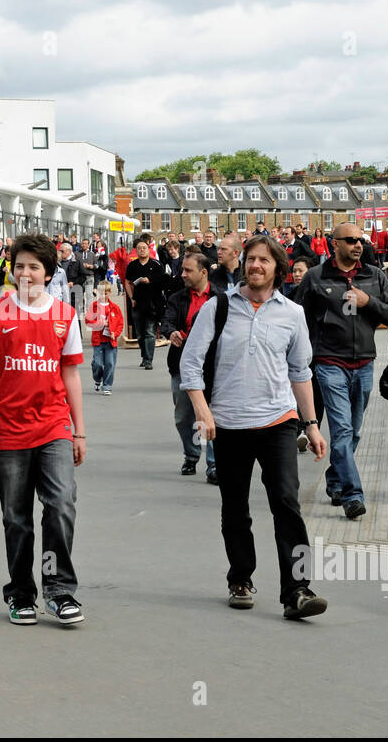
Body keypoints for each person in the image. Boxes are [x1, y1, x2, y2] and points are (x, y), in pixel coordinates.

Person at [179, 235, 329, 619]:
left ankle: (298, 590)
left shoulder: (292, 314)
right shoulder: (219, 307)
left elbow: (300, 373)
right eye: (250, 259)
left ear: (278, 268)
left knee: (287, 504)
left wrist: (310, 425)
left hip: (278, 421)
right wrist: (203, 410)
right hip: (228, 424)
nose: (255, 266)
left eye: (264, 260)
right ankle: (240, 578)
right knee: (235, 508)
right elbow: (190, 365)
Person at [0, 233, 87, 626]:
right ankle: (20, 593)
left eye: (34, 266)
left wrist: (79, 431)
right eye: (19, 266)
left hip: (53, 426)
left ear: (49, 272)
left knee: (61, 505)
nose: (26, 273)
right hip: (8, 431)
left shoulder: (64, 316)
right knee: (15, 517)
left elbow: (70, 374)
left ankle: (59, 589)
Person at [292, 222, 388, 519]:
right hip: (329, 362)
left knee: (353, 431)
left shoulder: (374, 276)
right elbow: (294, 317)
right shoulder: (316, 277)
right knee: (341, 429)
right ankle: (353, 495)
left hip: (365, 362)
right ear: (334, 243)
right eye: (351, 240)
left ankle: (335, 479)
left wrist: (369, 302)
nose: (358, 245)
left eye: (360, 240)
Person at [161, 251, 218, 482]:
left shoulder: (219, 298)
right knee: (184, 417)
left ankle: (214, 464)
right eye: (182, 269)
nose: (182, 274)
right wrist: (171, 331)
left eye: (187, 270)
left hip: (212, 365)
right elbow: (167, 321)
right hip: (182, 364)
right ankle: (191, 454)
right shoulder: (177, 298)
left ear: (203, 272)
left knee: (212, 414)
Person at [125, 238, 166, 370]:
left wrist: (150, 281)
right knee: (140, 333)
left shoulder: (157, 264)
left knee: (150, 332)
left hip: (153, 303)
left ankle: (149, 360)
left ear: (149, 250)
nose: (142, 250)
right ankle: (144, 355)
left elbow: (163, 281)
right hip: (137, 302)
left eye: (144, 248)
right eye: (139, 248)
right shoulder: (132, 265)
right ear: (136, 251)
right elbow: (127, 282)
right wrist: (131, 298)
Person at [85, 279, 123, 395]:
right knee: (97, 363)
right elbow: (88, 321)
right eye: (101, 293)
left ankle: (107, 386)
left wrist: (115, 333)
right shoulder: (94, 306)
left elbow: (120, 323)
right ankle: (97, 379)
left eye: (105, 293)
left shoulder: (114, 307)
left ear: (109, 293)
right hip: (98, 340)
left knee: (110, 363)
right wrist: (100, 324)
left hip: (110, 341)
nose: (103, 295)